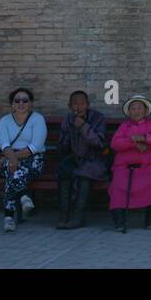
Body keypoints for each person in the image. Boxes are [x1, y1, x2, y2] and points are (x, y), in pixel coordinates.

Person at [109, 95, 151, 231]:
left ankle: (150, 220)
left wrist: (144, 138)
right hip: (125, 167)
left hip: (149, 166)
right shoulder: (124, 126)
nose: (136, 111)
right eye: (133, 108)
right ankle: (119, 221)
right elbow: (115, 143)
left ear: (146, 111)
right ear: (129, 112)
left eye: (139, 108)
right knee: (117, 185)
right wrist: (134, 142)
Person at [56, 90, 109, 230]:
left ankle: (78, 217)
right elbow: (62, 147)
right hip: (73, 158)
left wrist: (83, 127)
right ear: (69, 106)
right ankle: (63, 216)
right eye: (75, 104)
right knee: (64, 175)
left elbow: (99, 143)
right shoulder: (67, 119)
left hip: (93, 160)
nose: (78, 107)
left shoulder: (98, 118)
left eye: (82, 104)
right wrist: (69, 132)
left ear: (87, 105)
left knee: (84, 176)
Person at [0, 87, 48, 232]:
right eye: (17, 100)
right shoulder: (5, 121)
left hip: (34, 159)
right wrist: (12, 159)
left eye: (25, 100)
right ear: (12, 104)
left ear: (31, 103)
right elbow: (4, 144)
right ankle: (24, 196)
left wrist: (12, 159)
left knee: (11, 174)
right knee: (12, 170)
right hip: (11, 156)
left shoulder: (37, 119)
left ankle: (8, 217)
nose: (21, 103)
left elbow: (35, 146)